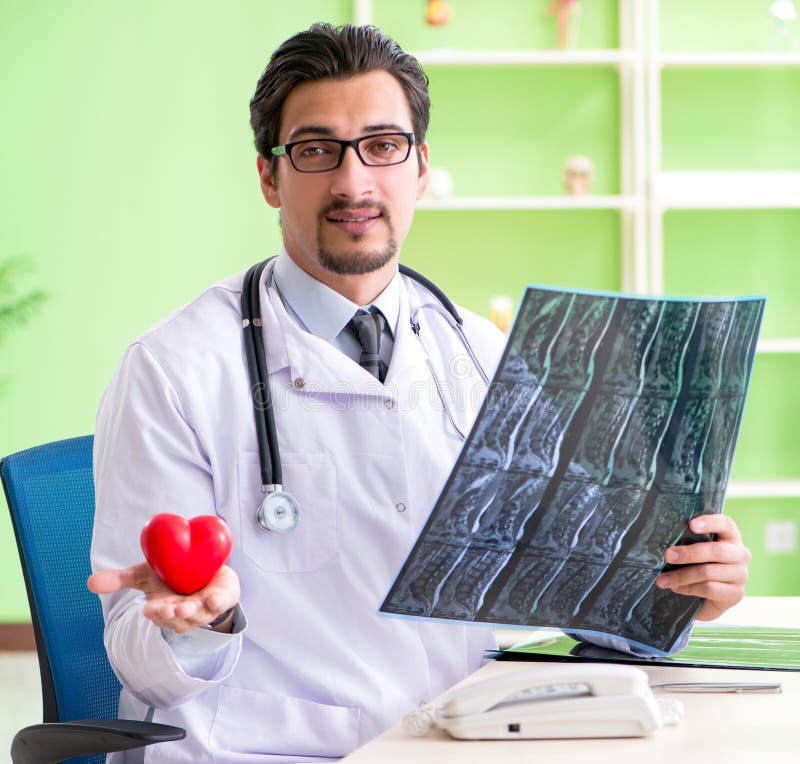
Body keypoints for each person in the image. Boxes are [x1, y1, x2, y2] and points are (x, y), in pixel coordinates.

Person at [88, 22, 751, 763]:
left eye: (382, 145)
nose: (353, 182)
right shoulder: (173, 369)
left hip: (464, 739)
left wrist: (677, 590)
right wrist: (196, 623)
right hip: (267, 752)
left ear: (421, 167)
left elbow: (576, 591)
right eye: (315, 150)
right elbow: (134, 654)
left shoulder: (483, 351)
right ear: (270, 176)